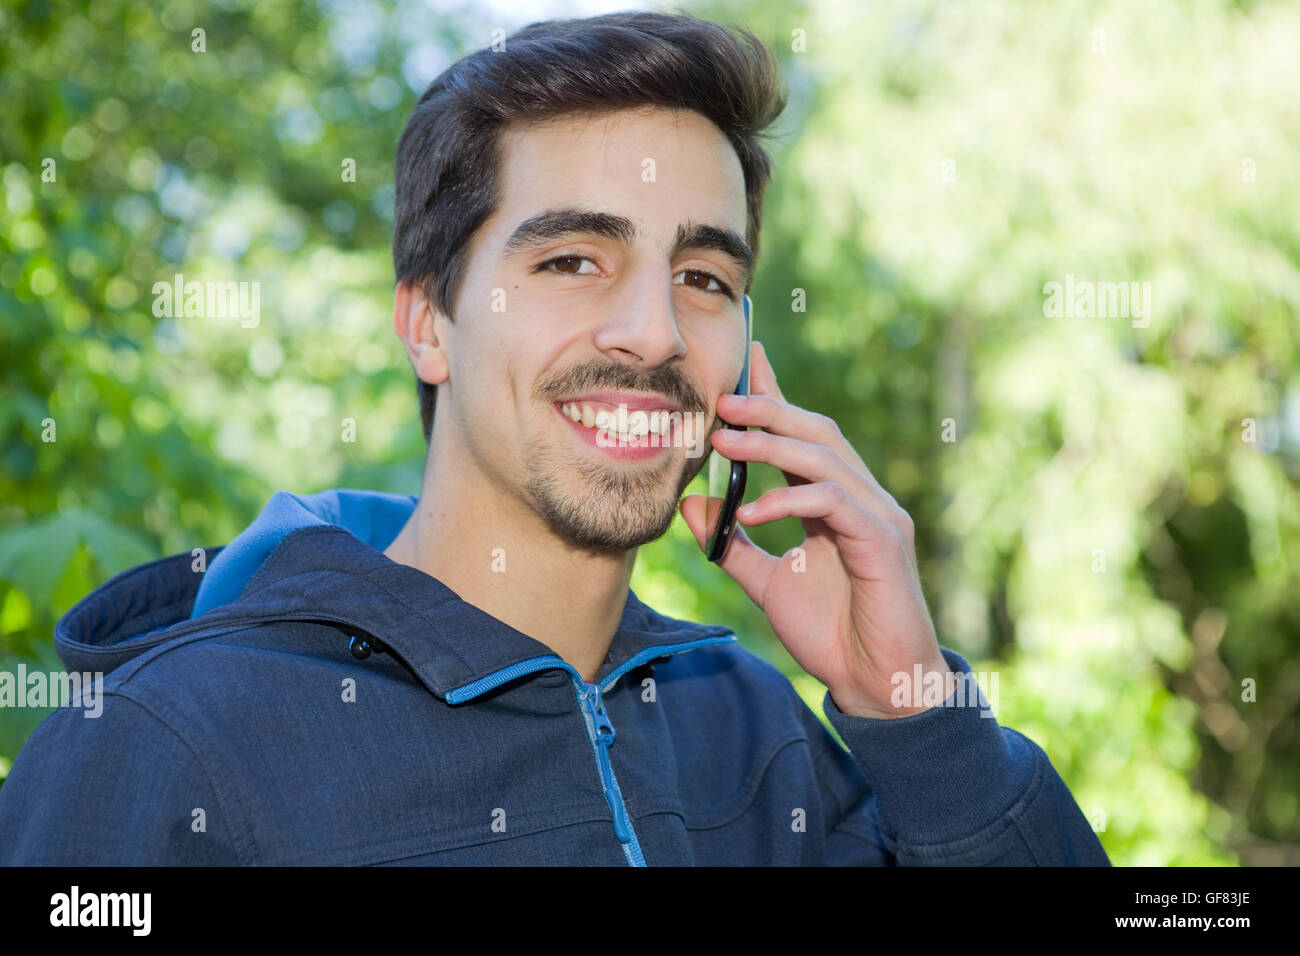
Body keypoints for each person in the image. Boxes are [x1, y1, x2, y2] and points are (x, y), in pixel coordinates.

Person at [0, 11, 1108, 866]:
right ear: (428, 321)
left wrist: (911, 705)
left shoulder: (756, 733)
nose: (652, 331)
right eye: (571, 259)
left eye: (704, 277)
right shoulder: (161, 743)